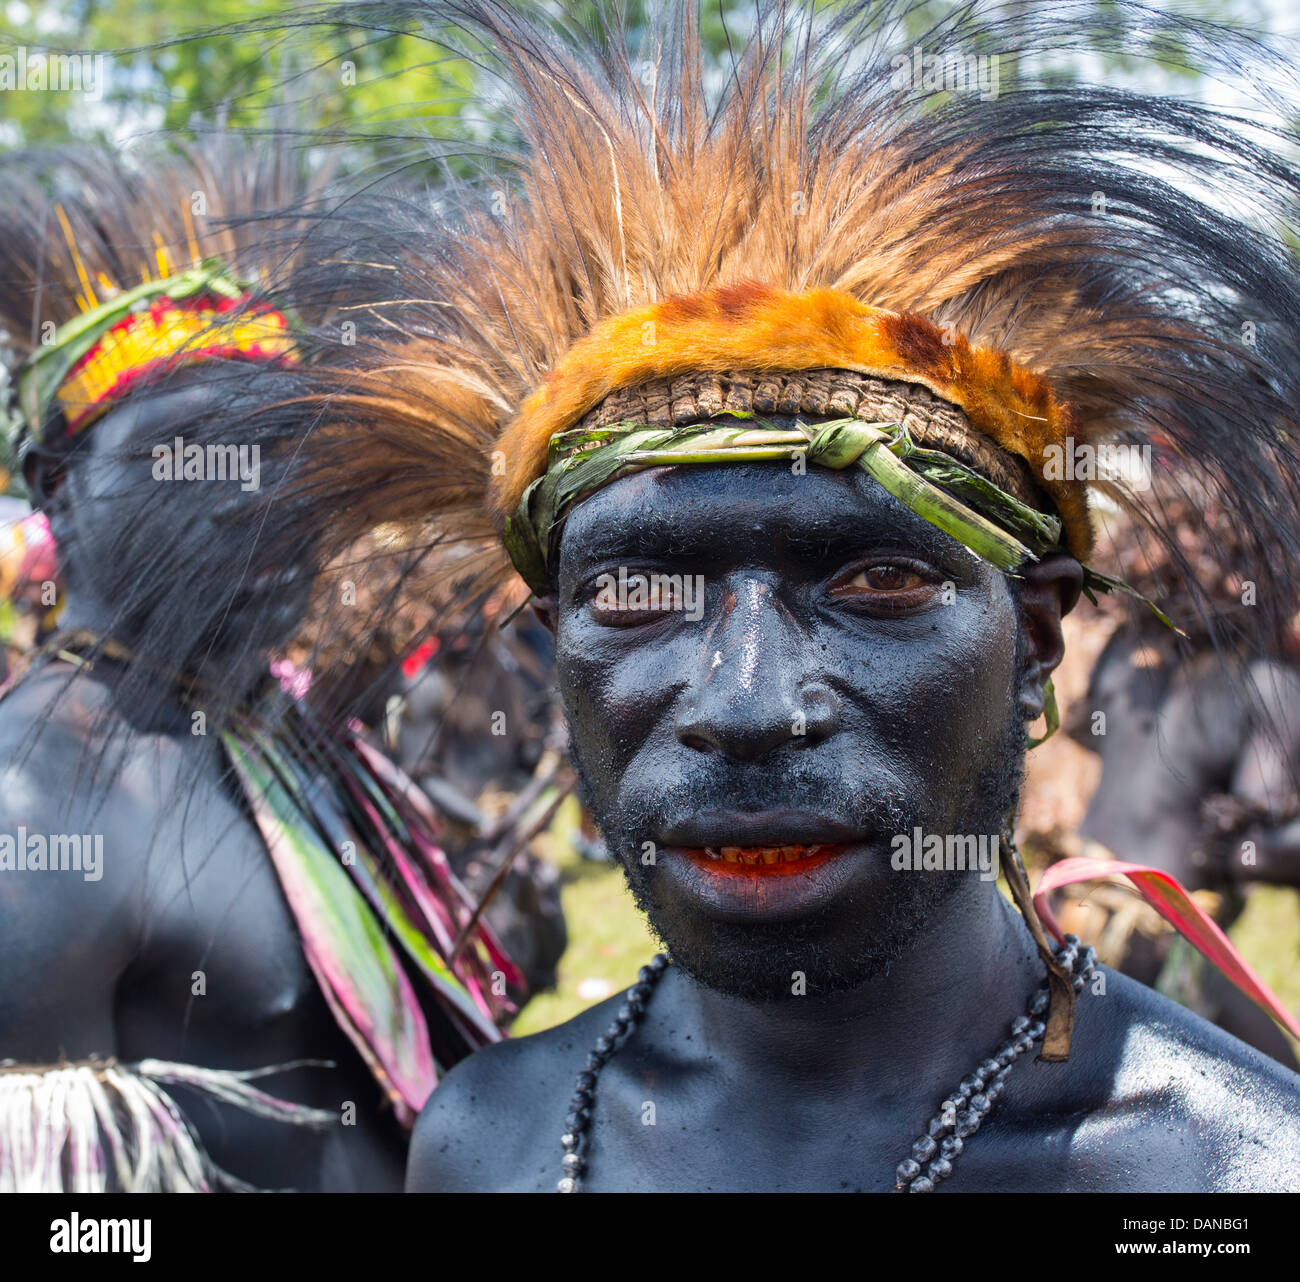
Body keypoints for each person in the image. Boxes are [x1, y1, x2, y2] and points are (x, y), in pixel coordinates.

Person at [280, 0, 1300, 1191]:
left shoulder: (1223, 1176)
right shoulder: (486, 1139)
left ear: (1031, 639)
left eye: (878, 580)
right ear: (557, 645)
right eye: (640, 594)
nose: (749, 707)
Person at [0, 136, 512, 1191]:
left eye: (294, 454)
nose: (263, 497)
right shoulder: (30, 809)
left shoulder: (287, 732)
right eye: (188, 454)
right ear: (56, 487)